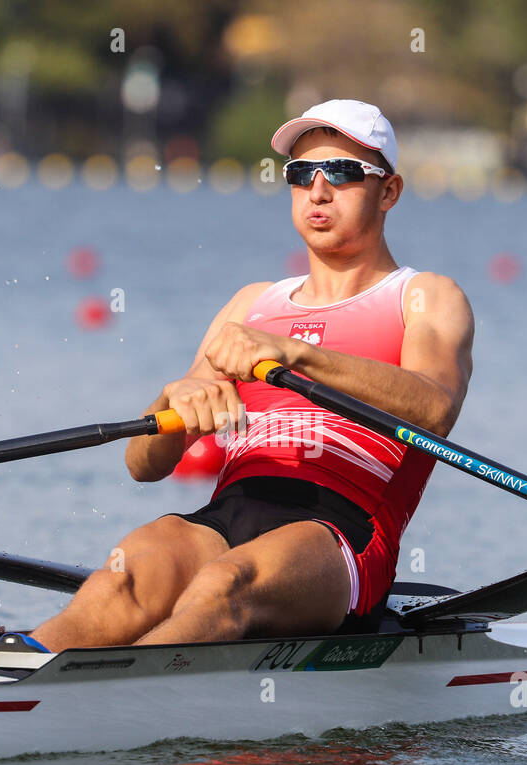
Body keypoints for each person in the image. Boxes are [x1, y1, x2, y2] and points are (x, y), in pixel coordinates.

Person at [30, 99, 474, 651]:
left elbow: (434, 408)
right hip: (228, 512)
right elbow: (143, 466)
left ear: (389, 191)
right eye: (300, 174)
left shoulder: (425, 296)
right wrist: (174, 397)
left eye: (342, 173)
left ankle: (117, 701)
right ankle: (16, 680)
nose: (318, 190)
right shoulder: (251, 304)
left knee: (223, 585)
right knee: (121, 580)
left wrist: (296, 355)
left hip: (341, 533)